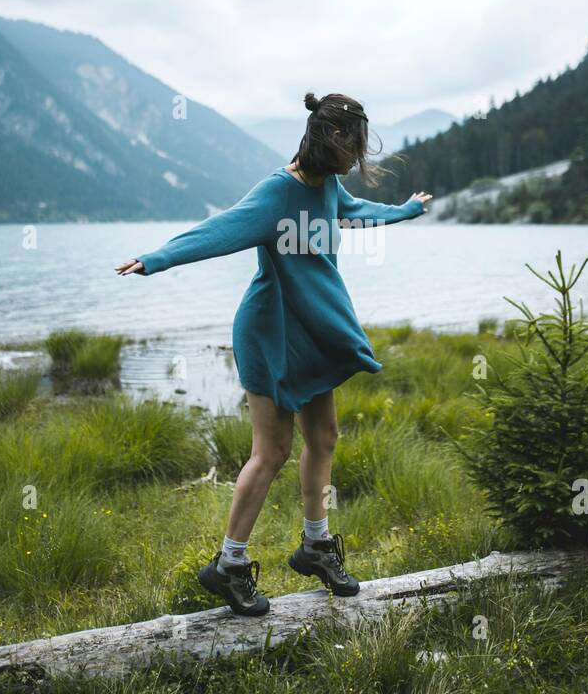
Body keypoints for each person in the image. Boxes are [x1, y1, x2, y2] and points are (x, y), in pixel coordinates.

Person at [116, 91, 432, 616]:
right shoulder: (276, 193)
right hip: (270, 330)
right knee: (273, 451)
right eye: (350, 153)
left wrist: (405, 211)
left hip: (311, 329)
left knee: (324, 437)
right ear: (325, 142)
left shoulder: (329, 186)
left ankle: (315, 546)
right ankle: (230, 565)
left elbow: (354, 212)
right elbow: (218, 230)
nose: (354, 164)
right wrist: (156, 259)